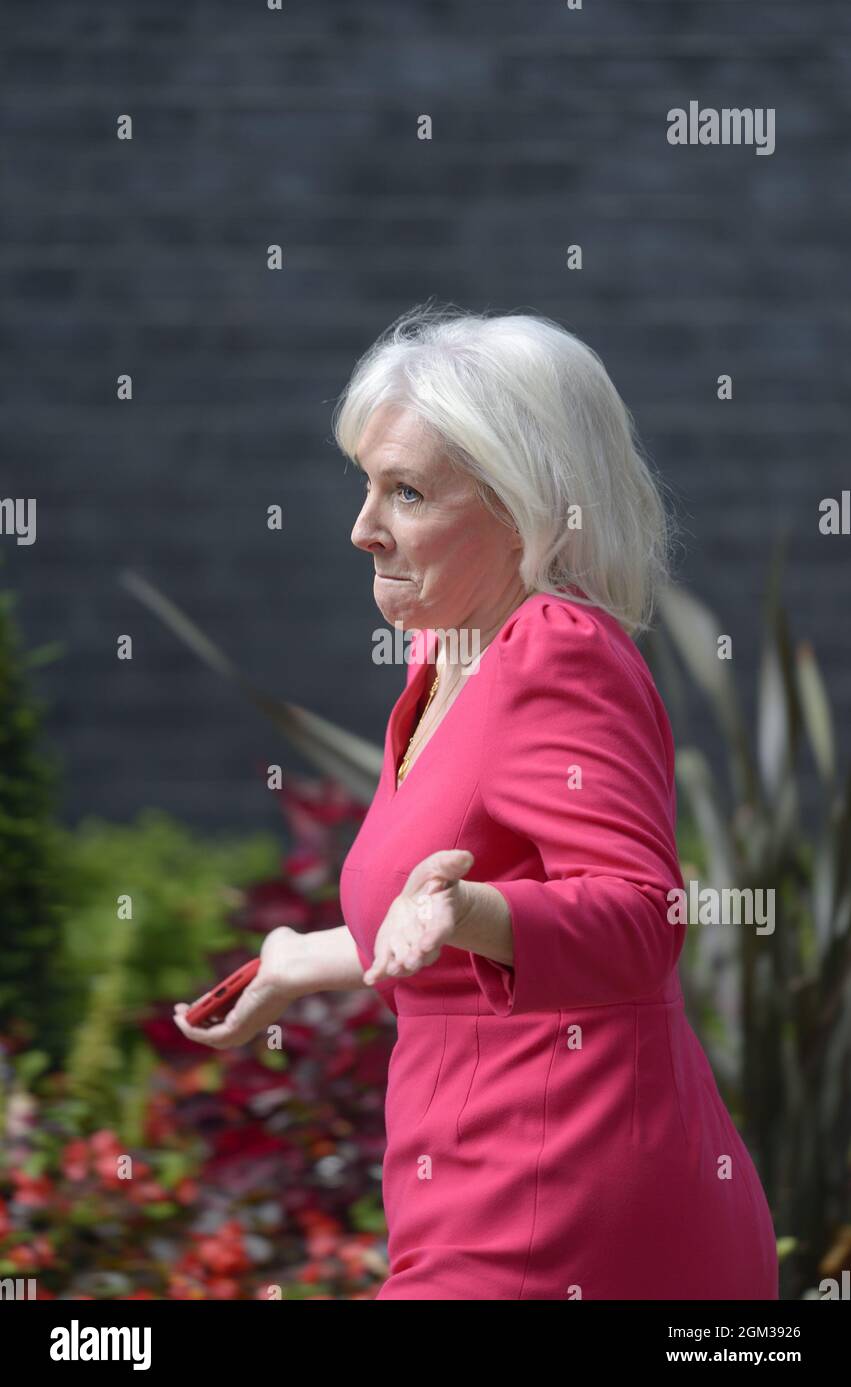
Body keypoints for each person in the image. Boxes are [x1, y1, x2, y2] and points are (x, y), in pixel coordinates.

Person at [174, 303, 779, 1301]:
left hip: (562, 1207)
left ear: (521, 509)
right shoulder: (444, 651)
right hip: (472, 1197)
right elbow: (434, 920)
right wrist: (299, 962)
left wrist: (470, 909)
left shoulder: (556, 650)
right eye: (367, 485)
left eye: (405, 493)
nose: (361, 528)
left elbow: (638, 916)